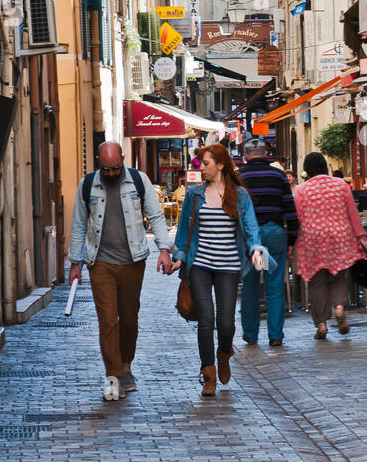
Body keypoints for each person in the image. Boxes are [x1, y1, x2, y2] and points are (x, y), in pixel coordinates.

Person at [68, 141, 174, 402]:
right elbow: (79, 225)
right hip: (100, 262)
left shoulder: (139, 180)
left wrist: (164, 249)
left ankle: (126, 366)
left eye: (116, 168)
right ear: (98, 162)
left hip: (132, 261)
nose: (112, 173)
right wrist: (75, 263)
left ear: (123, 160)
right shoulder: (88, 184)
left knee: (129, 319)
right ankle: (113, 377)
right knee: (107, 321)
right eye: (107, 169)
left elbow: (157, 216)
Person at [171, 143, 267, 397]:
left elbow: (250, 226)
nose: (201, 168)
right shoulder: (195, 195)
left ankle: (224, 354)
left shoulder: (239, 195)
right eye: (201, 163)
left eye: (206, 163)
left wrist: (256, 248)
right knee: (206, 319)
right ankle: (208, 373)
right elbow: (183, 231)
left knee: (226, 324)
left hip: (229, 266)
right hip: (199, 265)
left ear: (221, 164)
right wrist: (179, 257)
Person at [294, 151, 367, 340]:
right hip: (340, 236)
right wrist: (360, 236)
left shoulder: (302, 190)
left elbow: (297, 218)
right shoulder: (341, 185)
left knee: (317, 282)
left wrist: (294, 243)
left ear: (306, 170)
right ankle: (340, 308)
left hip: (313, 238)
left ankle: (321, 325)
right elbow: (353, 212)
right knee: (338, 277)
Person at [238, 138, 299, 347]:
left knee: (250, 285)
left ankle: (251, 334)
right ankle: (275, 335)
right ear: (266, 155)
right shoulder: (278, 175)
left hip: (251, 239)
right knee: (274, 286)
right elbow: (290, 209)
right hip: (274, 234)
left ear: (245, 156)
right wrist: (292, 239)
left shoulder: (239, 177)